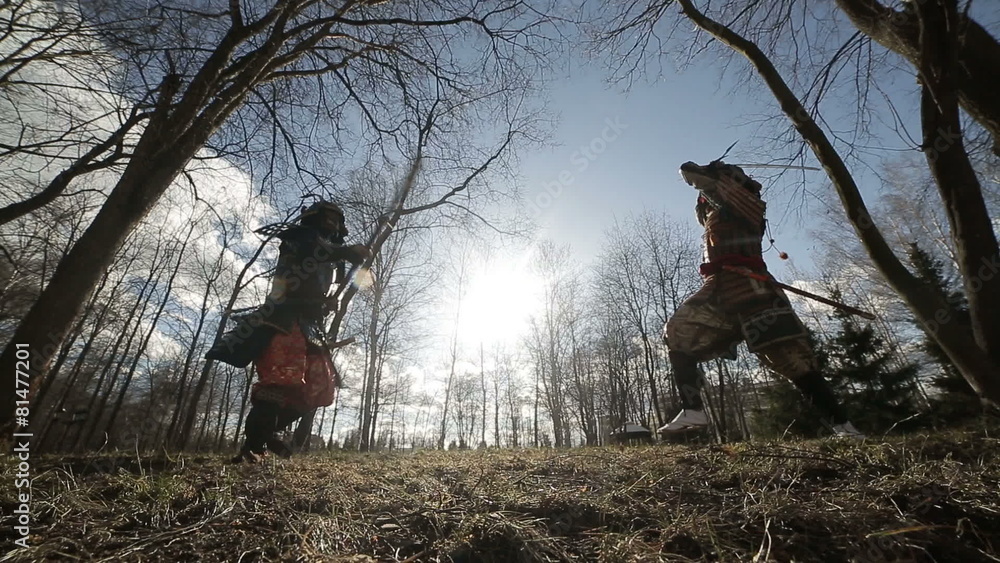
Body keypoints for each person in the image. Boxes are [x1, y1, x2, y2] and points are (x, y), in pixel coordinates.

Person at [658, 160, 864, 438]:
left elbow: (699, 178)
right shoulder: (716, 216)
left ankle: (844, 427)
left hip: (755, 293)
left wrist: (711, 172)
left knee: (793, 362)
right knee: (678, 331)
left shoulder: (747, 202)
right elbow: (707, 196)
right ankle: (693, 409)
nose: (703, 206)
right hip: (720, 291)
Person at [206, 200, 370, 462]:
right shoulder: (300, 237)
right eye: (328, 217)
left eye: (337, 220)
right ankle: (253, 448)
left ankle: (263, 434)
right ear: (313, 218)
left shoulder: (332, 254)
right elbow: (314, 250)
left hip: (310, 325)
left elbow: (318, 277)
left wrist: (325, 303)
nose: (332, 223)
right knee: (280, 382)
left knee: (319, 387)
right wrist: (347, 251)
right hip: (282, 319)